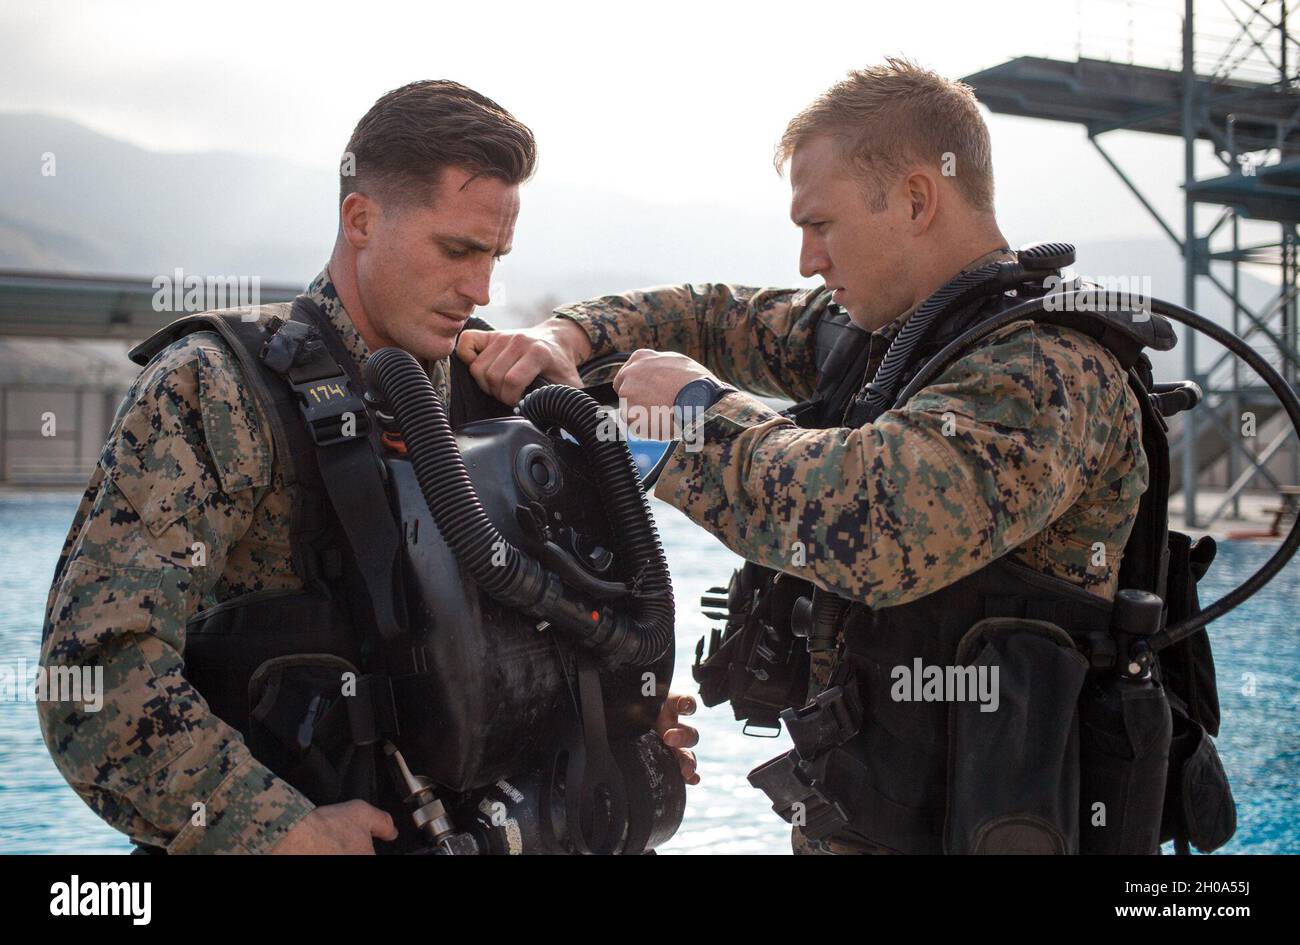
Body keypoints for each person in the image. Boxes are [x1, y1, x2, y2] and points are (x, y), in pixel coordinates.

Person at [457, 58, 1156, 854]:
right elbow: (715, 317)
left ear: (918, 199)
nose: (806, 259)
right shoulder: (895, 336)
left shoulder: (1043, 371)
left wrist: (693, 416)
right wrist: (567, 335)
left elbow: (871, 524)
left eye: (819, 224)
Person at [38, 79, 698, 856]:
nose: (482, 289)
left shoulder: (495, 390)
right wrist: (276, 828)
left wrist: (616, 708)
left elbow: (545, 612)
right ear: (360, 219)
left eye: (495, 255)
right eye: (457, 250)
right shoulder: (217, 388)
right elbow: (94, 675)